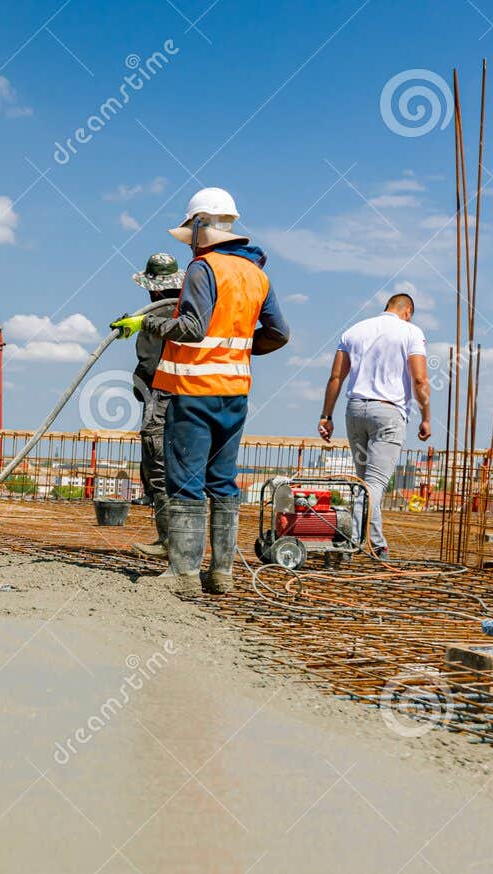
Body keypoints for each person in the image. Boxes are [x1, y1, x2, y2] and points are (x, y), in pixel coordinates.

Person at [112, 188, 289, 593]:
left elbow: (193, 328)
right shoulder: (256, 274)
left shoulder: (202, 268)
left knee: (185, 481)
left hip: (192, 391)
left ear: (198, 228)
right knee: (222, 481)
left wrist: (147, 323)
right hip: (234, 393)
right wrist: (237, 349)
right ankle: (222, 574)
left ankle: (184, 574)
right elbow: (279, 333)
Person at [318, 293, 432, 559]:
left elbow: (336, 377)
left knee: (366, 485)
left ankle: (377, 545)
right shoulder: (411, 332)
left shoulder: (354, 331)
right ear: (408, 311)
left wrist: (326, 416)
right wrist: (426, 417)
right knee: (374, 485)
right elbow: (420, 380)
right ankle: (347, 542)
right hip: (388, 413)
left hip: (355, 410)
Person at [128, 252, 184, 559]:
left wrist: (138, 386)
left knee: (159, 471)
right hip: (194, 403)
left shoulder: (153, 318)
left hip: (160, 403)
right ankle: (186, 546)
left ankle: (169, 543)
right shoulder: (191, 313)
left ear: (153, 288)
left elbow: (149, 365)